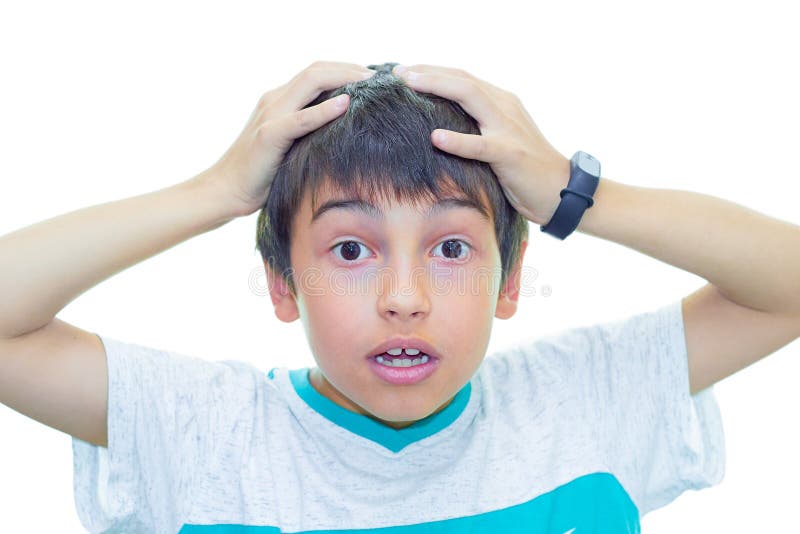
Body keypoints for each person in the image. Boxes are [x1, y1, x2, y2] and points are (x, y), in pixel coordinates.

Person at [0, 60, 797, 533]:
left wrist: (572, 192)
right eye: (351, 249)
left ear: (507, 281)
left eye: (452, 248)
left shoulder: (583, 399)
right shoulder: (205, 430)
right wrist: (216, 190)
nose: (405, 297)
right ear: (283, 283)